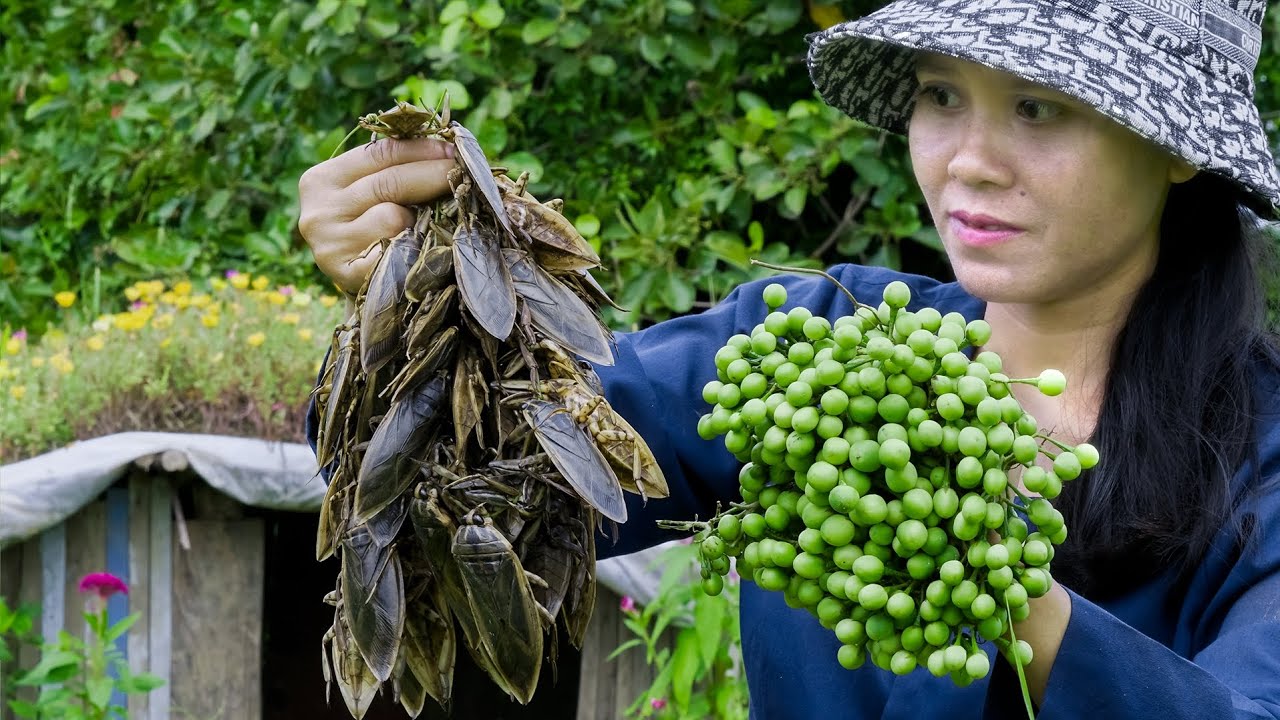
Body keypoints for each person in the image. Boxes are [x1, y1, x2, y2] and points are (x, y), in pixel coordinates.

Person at [298, 0, 1280, 717]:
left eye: (1037, 107)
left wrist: (1013, 600)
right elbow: (481, 488)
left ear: (1176, 144)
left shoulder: (1264, 459)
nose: (968, 161)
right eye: (941, 94)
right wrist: (421, 291)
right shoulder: (816, 347)